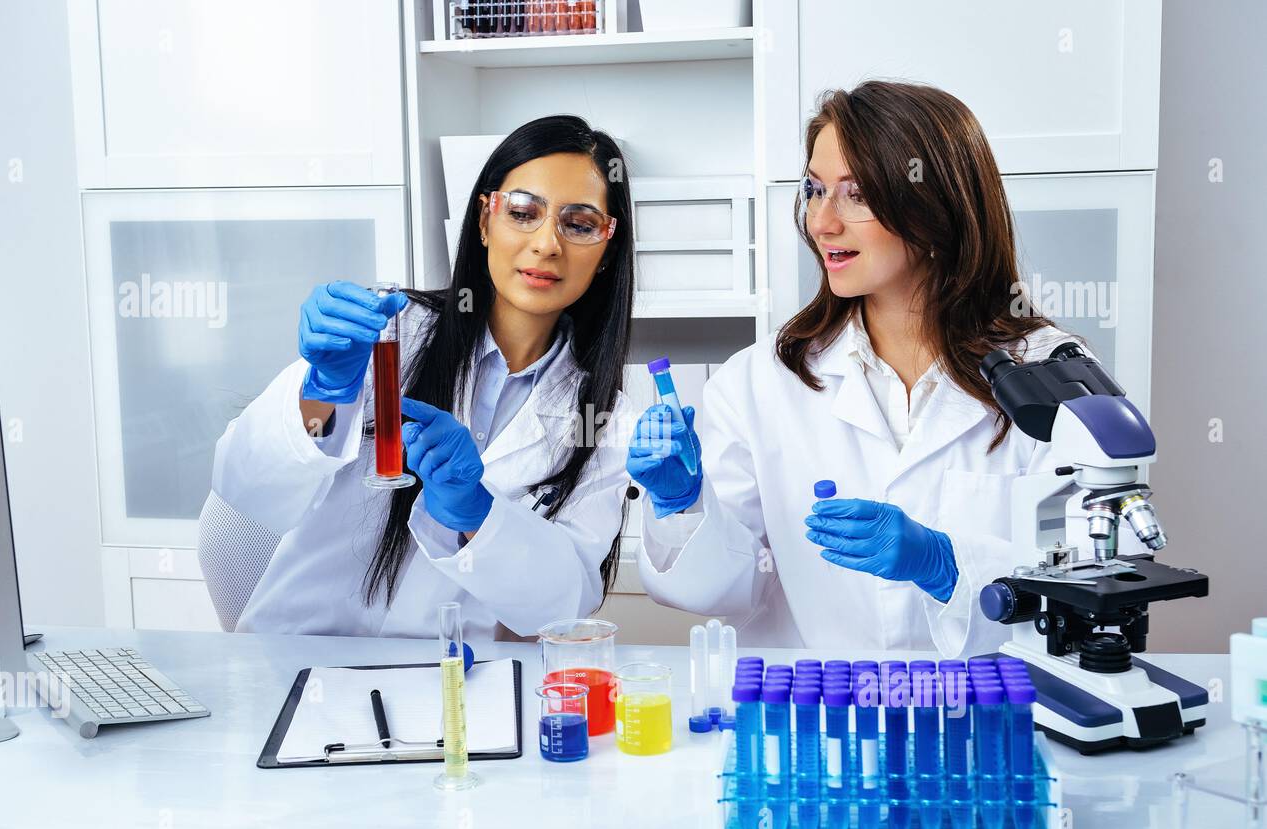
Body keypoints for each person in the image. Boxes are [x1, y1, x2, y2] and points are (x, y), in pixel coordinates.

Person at [627, 81, 1123, 654]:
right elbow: (729, 591)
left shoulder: (1052, 374)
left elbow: (1092, 581)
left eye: (855, 195)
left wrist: (945, 564)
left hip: (981, 718)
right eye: (815, 190)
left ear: (938, 206)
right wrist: (683, 504)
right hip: (821, 720)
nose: (822, 222)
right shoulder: (761, 380)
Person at [199, 115, 634, 641]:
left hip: (451, 688)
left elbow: (560, 606)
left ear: (606, 250)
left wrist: (475, 510)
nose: (546, 244)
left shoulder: (606, 419)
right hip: (301, 665)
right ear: (483, 220)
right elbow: (245, 485)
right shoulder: (389, 332)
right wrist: (324, 390)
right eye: (522, 212)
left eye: (580, 224)